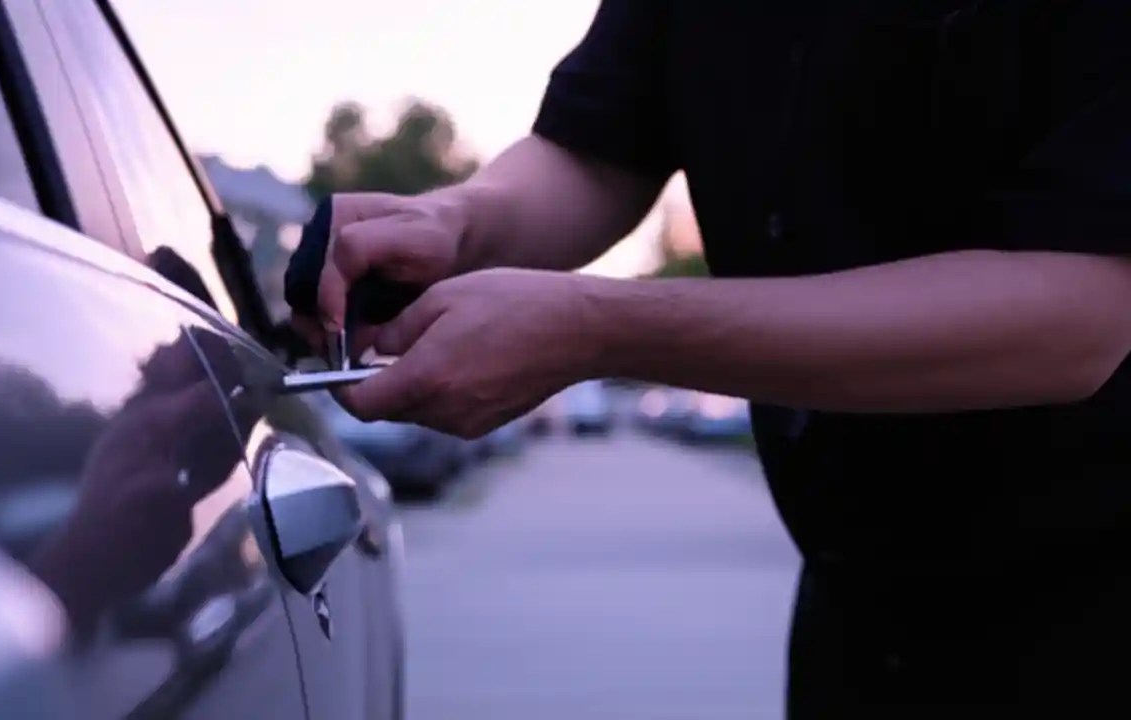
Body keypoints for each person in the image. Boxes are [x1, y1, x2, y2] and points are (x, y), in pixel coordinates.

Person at [290, 2, 1131, 716]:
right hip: (854, 613)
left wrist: (599, 329)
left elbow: (1082, 308)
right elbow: (593, 146)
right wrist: (458, 221)